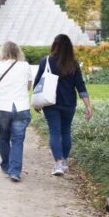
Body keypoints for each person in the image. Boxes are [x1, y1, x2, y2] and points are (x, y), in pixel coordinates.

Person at [34, 34, 93, 176]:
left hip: (50, 103)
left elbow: (37, 83)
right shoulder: (73, 64)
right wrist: (88, 106)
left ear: (54, 45)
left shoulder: (46, 61)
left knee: (54, 132)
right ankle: (65, 161)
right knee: (66, 131)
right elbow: (80, 86)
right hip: (69, 103)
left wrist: (37, 103)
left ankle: (58, 164)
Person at [0, 41, 32, 182]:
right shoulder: (25, 66)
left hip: (2, 107)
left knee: (3, 137)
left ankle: (6, 165)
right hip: (21, 106)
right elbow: (28, 86)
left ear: (2, 52)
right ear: (18, 52)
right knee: (18, 140)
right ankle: (15, 171)